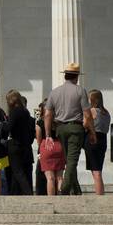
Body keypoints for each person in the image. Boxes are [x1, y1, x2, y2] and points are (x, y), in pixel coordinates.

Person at [45, 63, 95, 195]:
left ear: (65, 76)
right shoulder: (80, 90)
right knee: (72, 160)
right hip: (75, 127)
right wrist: (92, 132)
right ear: (76, 76)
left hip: (60, 128)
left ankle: (76, 189)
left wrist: (48, 134)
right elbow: (87, 114)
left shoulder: (54, 92)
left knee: (68, 159)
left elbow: (47, 114)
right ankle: (65, 189)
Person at [5, 90, 35, 196]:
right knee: (20, 172)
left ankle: (28, 193)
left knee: (17, 172)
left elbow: (9, 127)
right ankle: (17, 193)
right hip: (24, 144)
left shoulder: (14, 111)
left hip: (15, 144)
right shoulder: (25, 111)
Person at [35, 98, 64, 197]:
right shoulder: (58, 121)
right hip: (59, 146)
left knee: (50, 178)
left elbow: (39, 139)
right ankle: (61, 196)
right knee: (60, 177)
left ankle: (51, 199)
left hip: (46, 145)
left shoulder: (40, 123)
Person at [84, 89, 110, 195]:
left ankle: (99, 195)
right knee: (98, 169)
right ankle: (101, 193)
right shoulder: (106, 112)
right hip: (103, 139)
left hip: (92, 139)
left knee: (95, 172)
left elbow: (85, 124)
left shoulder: (92, 111)